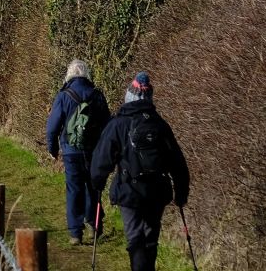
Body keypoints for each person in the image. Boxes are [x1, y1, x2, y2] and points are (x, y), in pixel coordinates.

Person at [89, 72, 191, 271]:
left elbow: (101, 159)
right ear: (150, 97)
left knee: (135, 238)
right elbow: (178, 162)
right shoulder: (160, 125)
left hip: (129, 191)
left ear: (129, 96)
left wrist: (97, 183)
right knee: (150, 238)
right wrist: (181, 193)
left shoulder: (118, 124)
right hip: (157, 192)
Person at [45, 59, 110, 245]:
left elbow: (52, 127)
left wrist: (53, 149)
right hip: (93, 151)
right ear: (87, 74)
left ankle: (75, 233)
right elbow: (108, 125)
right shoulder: (97, 95)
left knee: (74, 189)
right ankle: (93, 224)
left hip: (71, 151)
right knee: (93, 187)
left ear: (70, 74)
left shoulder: (64, 96)